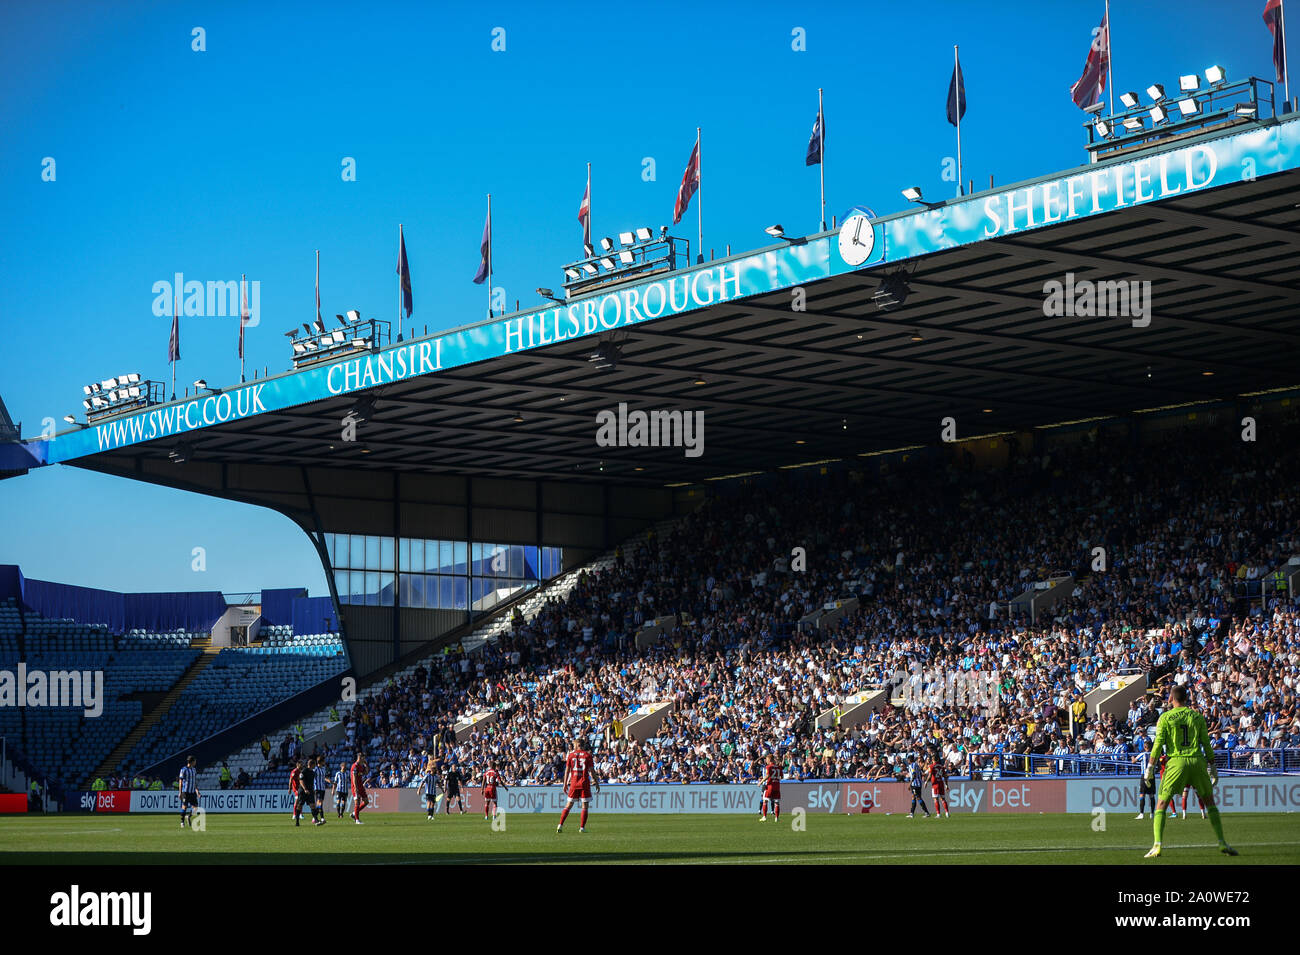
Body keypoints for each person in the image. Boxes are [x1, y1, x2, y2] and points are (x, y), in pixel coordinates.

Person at [1143, 685, 1236, 858]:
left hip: (1177, 762)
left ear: (1171, 698)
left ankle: (1157, 845)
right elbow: (1206, 743)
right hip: (1197, 760)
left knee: (1162, 804)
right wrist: (1213, 766)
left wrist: (1149, 767)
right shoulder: (1197, 716)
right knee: (1210, 802)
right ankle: (1222, 842)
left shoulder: (1165, 717)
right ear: (1186, 698)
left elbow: (1157, 745)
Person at [557, 735, 599, 833]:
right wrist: (597, 782)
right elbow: (592, 771)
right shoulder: (587, 755)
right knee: (585, 806)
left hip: (574, 783)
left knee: (568, 805)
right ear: (583, 745)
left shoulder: (571, 755)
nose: (573, 746)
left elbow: (567, 771)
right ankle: (582, 828)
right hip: (584, 783)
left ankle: (560, 825)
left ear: (577, 745)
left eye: (574, 745)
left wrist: (565, 784)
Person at [906, 754, 931, 819]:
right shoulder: (916, 765)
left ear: (910, 760)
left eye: (908, 759)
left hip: (915, 784)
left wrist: (910, 784)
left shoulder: (912, 765)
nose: (907, 761)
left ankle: (926, 812)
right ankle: (911, 813)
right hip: (918, 784)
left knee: (918, 798)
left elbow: (914, 775)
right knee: (914, 797)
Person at [178, 755, 200, 829]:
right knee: (184, 806)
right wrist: (180, 792)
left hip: (192, 792)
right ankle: (182, 822)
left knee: (196, 808)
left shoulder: (194, 770)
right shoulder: (183, 769)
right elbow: (180, 781)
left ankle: (188, 816)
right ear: (191, 762)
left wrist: (197, 791)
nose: (195, 763)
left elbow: (194, 782)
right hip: (185, 792)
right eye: (195, 761)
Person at [758, 755, 781, 822]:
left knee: (765, 801)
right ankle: (777, 818)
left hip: (770, 786)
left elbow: (768, 775)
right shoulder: (779, 767)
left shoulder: (768, 767)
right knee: (776, 802)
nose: (766, 761)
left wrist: (761, 782)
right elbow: (781, 777)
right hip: (777, 786)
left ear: (770, 760)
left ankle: (764, 816)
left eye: (767, 759)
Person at [929, 753, 950, 818]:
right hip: (941, 783)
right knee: (943, 799)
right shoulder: (941, 767)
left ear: (933, 759)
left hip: (935, 784)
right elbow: (945, 776)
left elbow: (930, 775)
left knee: (936, 799)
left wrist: (926, 781)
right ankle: (947, 813)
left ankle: (938, 814)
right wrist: (946, 785)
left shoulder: (931, 766)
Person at [350, 752, 369, 824]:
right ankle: (357, 820)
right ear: (360, 758)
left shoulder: (361, 766)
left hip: (361, 786)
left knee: (366, 801)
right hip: (356, 786)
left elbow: (366, 773)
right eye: (363, 757)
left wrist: (366, 765)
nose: (364, 759)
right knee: (357, 802)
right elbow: (354, 778)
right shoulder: (354, 766)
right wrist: (355, 787)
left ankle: (354, 814)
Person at [312, 756, 328, 826]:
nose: (325, 762)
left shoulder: (324, 769)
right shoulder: (315, 769)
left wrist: (329, 781)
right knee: (319, 803)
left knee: (319, 804)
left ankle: (314, 817)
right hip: (317, 788)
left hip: (322, 788)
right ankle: (322, 818)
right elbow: (312, 777)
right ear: (321, 762)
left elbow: (324, 777)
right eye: (324, 761)